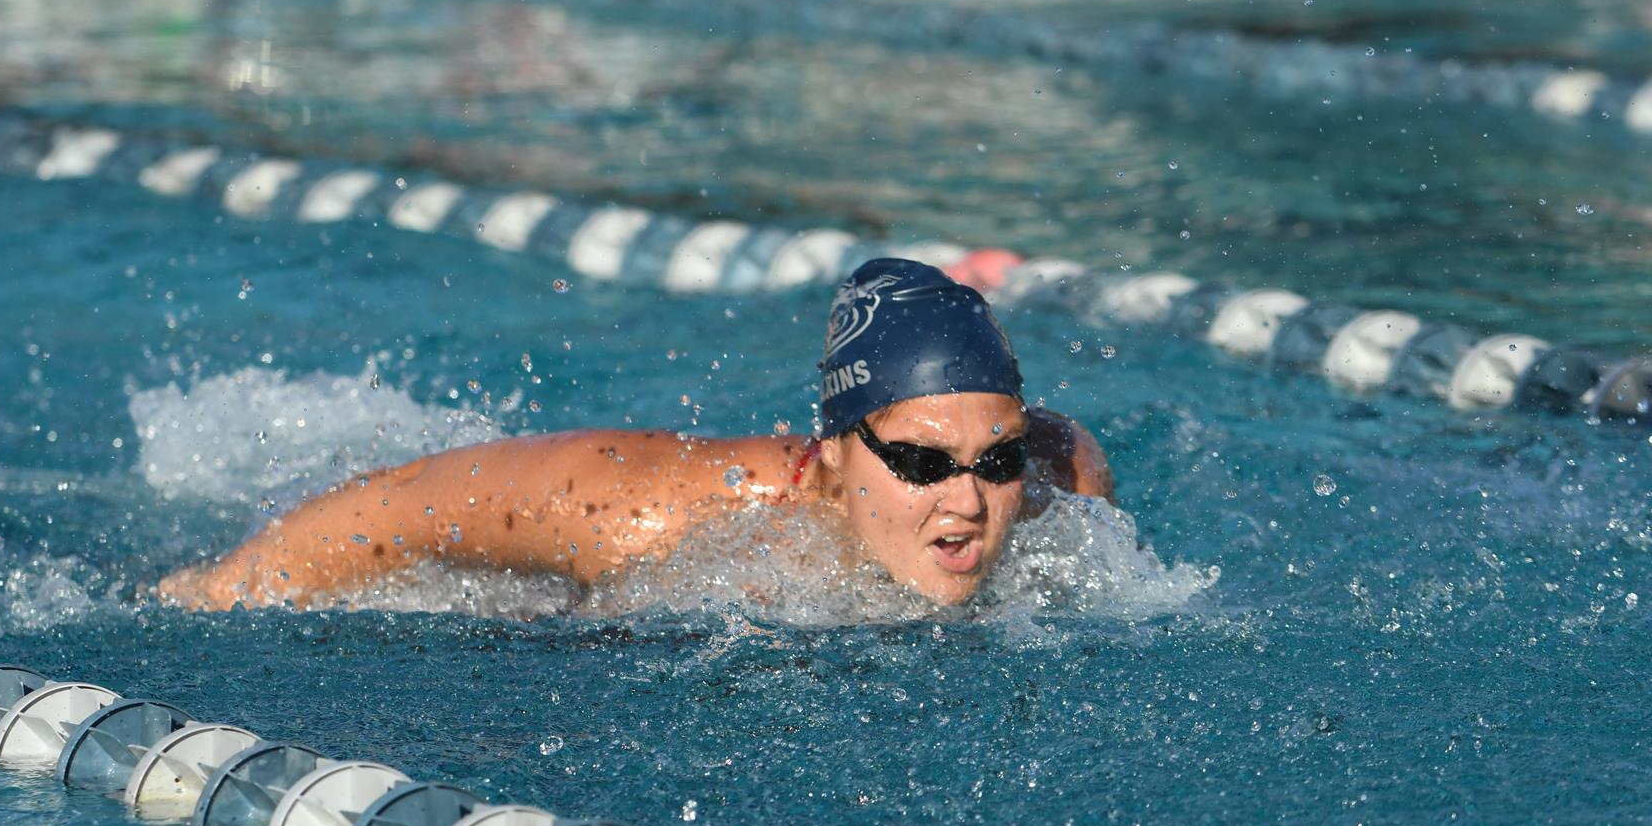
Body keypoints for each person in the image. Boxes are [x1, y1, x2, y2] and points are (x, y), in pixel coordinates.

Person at [156, 258, 1113, 612]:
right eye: (918, 462)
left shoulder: (1060, 482)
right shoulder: (651, 509)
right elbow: (404, 507)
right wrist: (223, 589)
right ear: (833, 452)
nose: (969, 500)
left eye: (994, 458)